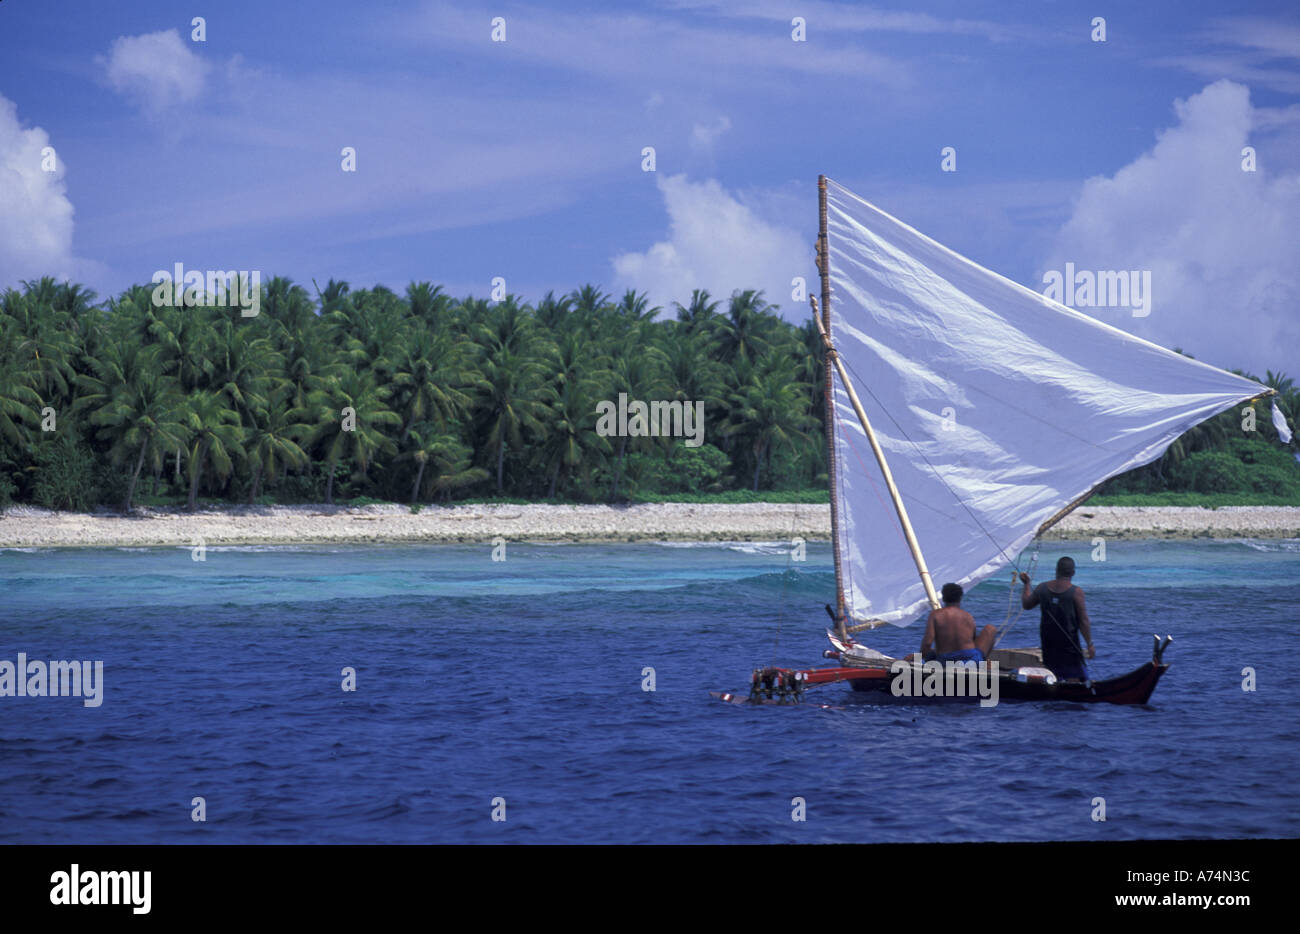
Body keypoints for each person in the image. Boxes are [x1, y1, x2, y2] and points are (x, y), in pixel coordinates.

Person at [1020, 556, 1095, 681]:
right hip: (1069, 647)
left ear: (1056, 570)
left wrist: (1027, 584)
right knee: (1077, 680)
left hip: (1048, 646)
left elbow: (1026, 604)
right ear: (1073, 572)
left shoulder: (1042, 588)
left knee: (1053, 678)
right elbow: (1084, 621)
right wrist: (1090, 644)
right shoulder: (1076, 592)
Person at [915, 582, 997, 666]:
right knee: (990, 628)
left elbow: (927, 643)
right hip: (970, 659)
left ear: (943, 598)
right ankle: (983, 663)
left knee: (930, 653)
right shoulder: (968, 616)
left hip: (946, 660)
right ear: (960, 598)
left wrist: (922, 658)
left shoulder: (935, 615)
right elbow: (973, 641)